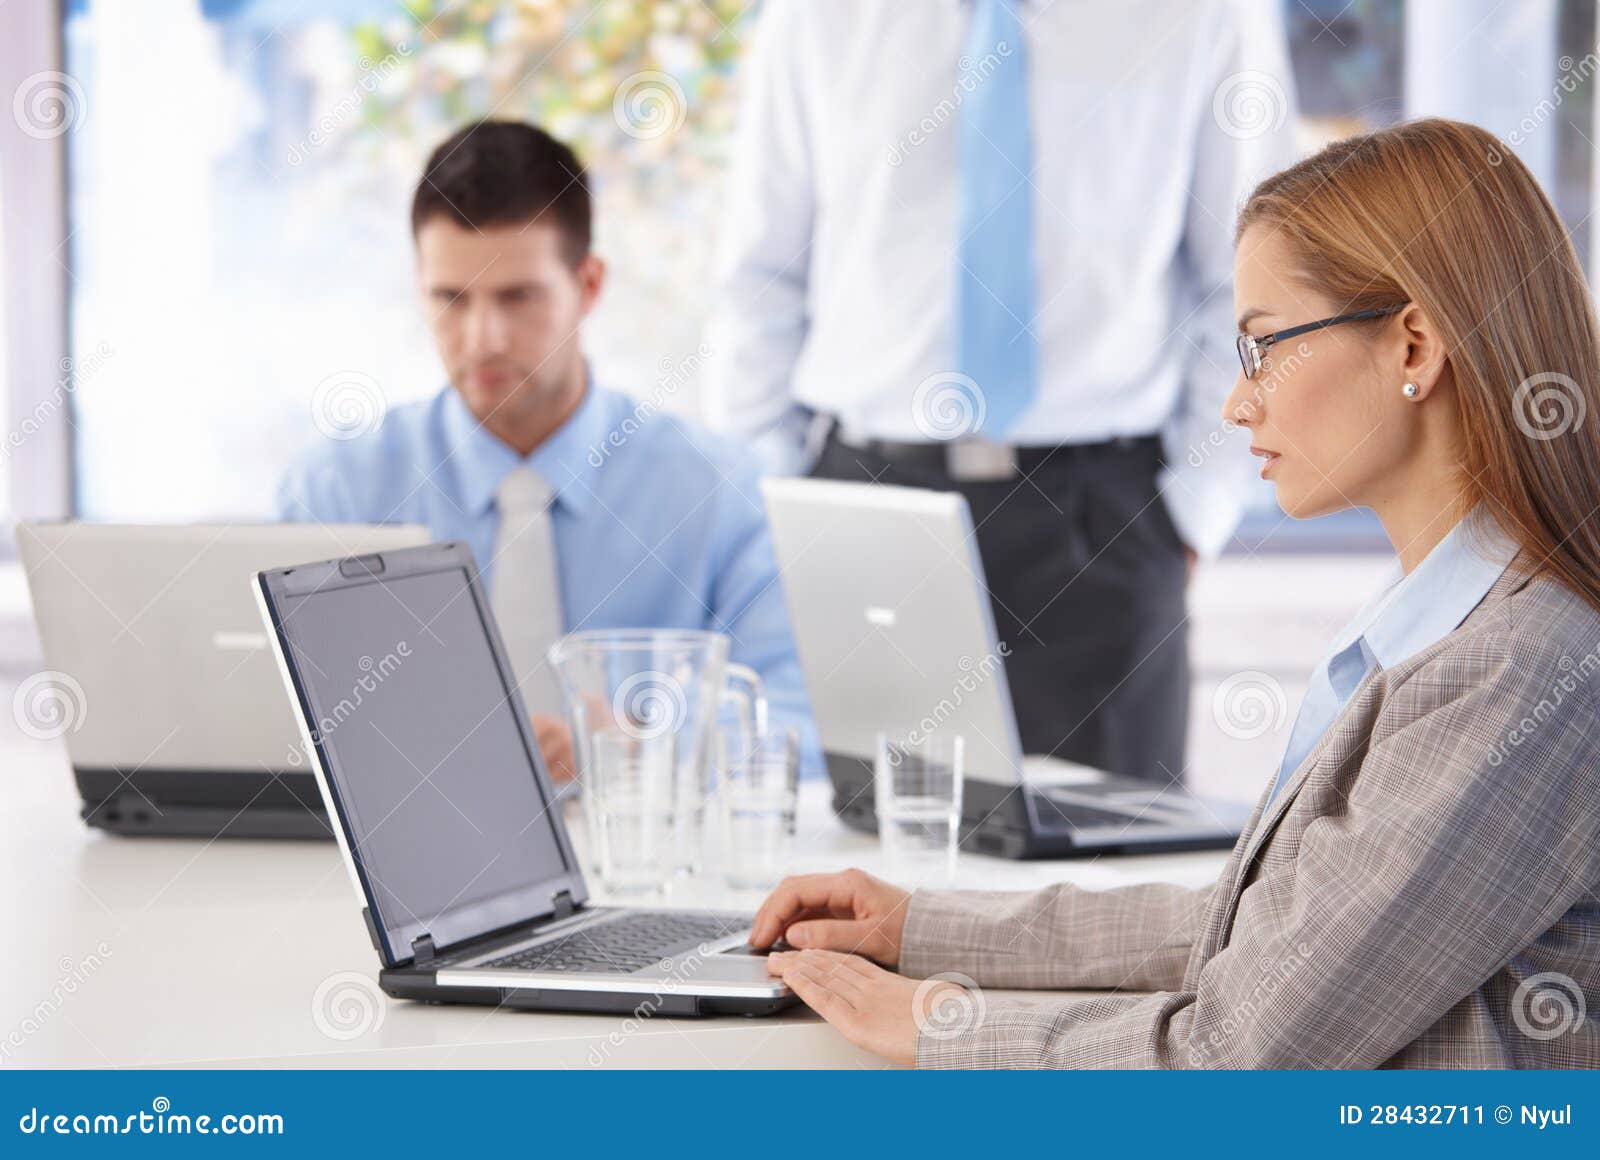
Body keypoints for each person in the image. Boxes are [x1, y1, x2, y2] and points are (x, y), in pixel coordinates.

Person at [749, 119, 1600, 1068]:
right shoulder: (1460, 622)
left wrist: (933, 1022)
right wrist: (925, 930)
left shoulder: (1516, 667)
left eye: (1266, 346)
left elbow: (1232, 1057)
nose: (1239, 404)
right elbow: (1259, 927)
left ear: (1412, 348)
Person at [705, 0, 1297, 784]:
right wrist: (772, 503)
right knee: (864, 860)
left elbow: (1247, 282)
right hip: (868, 505)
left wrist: (1195, 509)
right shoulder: (816, 16)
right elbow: (760, 273)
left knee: (1111, 874)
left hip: (1104, 519)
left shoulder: (1206, 14)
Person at [278, 120, 821, 780]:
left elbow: (800, 724)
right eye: (450, 299)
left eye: (518, 296)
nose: (483, 338)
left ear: (589, 286)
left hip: (647, 863)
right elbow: (272, 723)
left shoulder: (719, 490)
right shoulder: (333, 493)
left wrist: (639, 751)